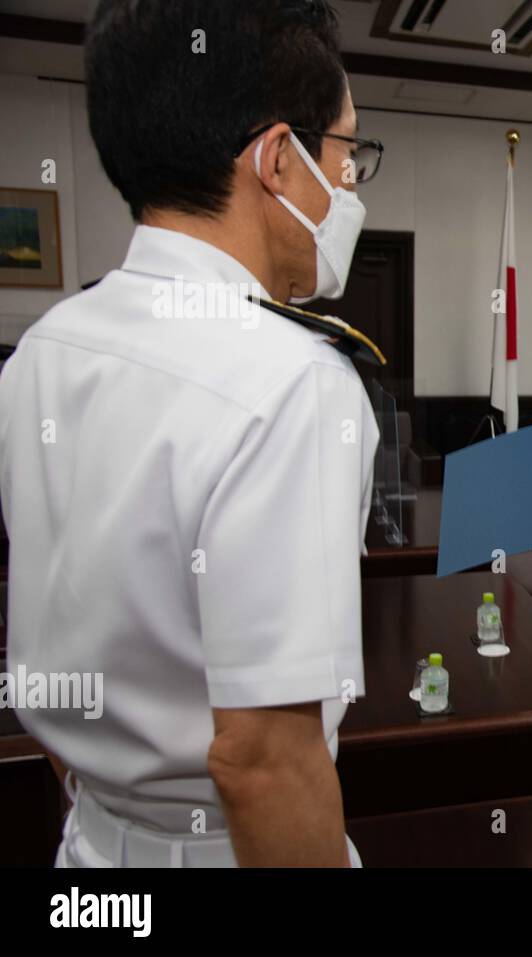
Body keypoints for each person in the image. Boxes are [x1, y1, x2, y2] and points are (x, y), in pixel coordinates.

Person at [0, 0, 383, 866]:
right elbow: (265, 762)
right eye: (345, 150)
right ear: (279, 160)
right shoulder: (296, 383)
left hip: (87, 846)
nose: (351, 179)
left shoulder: (40, 355)